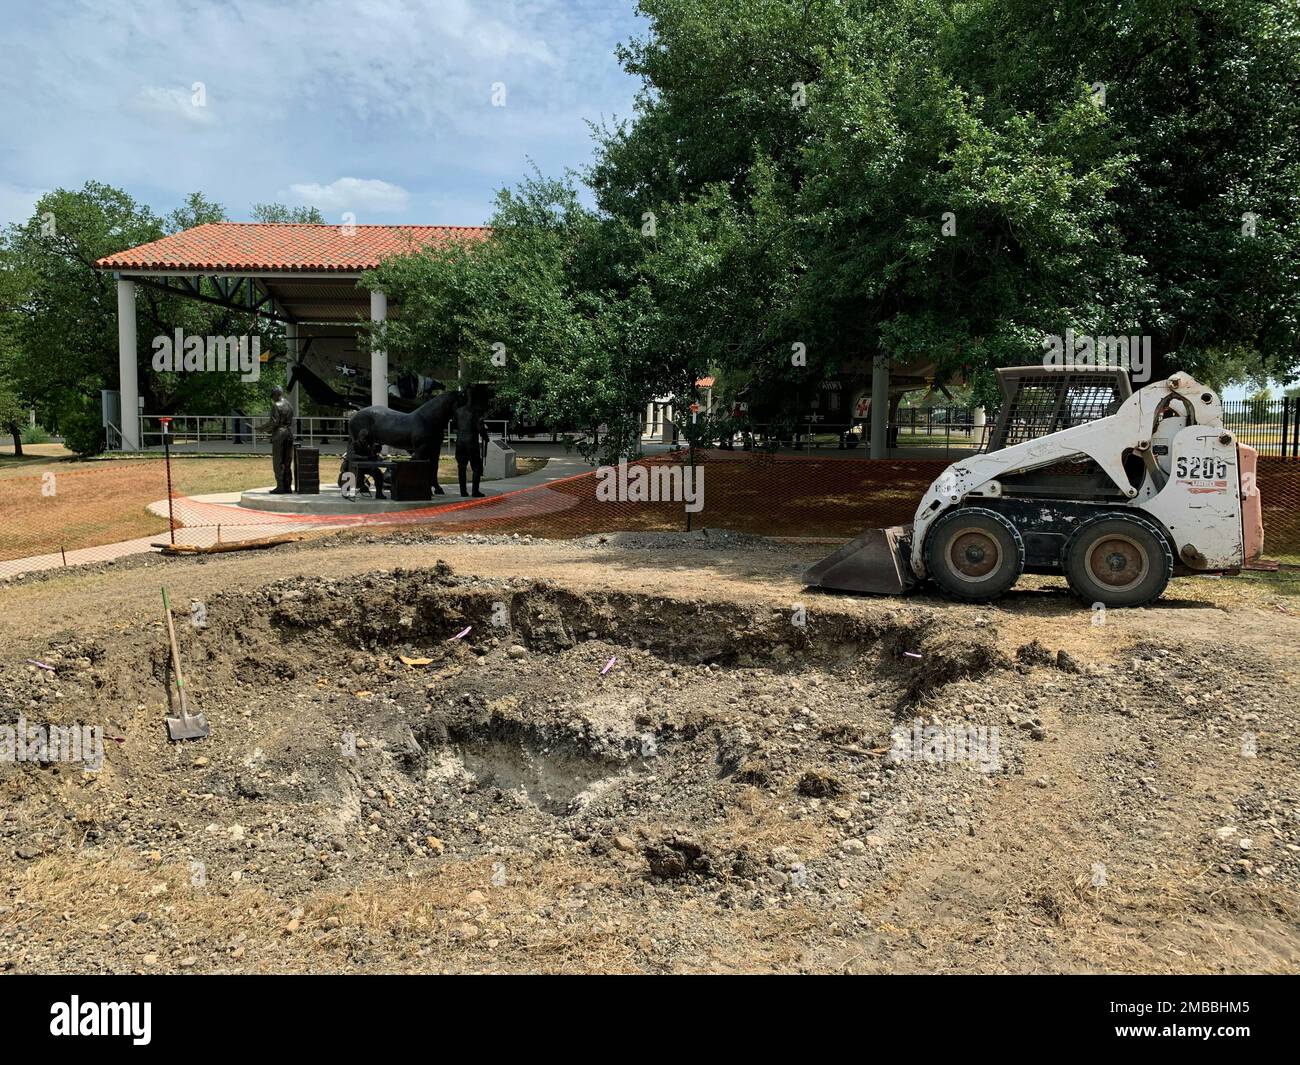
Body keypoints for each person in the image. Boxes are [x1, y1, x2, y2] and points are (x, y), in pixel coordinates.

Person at [454, 392, 490, 498]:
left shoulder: (458, 411)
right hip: (471, 442)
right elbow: (480, 427)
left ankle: (463, 491)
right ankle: (475, 491)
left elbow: (456, 426)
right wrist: (486, 437)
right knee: (476, 467)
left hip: (460, 442)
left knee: (461, 467)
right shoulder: (475, 412)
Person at [268, 386, 295, 493]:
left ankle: (280, 486)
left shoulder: (276, 405)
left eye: (273, 396)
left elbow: (274, 422)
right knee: (287, 461)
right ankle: (288, 486)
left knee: (277, 461)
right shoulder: (289, 405)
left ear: (276, 394)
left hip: (279, 434)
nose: (272, 398)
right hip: (289, 433)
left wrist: (262, 428)